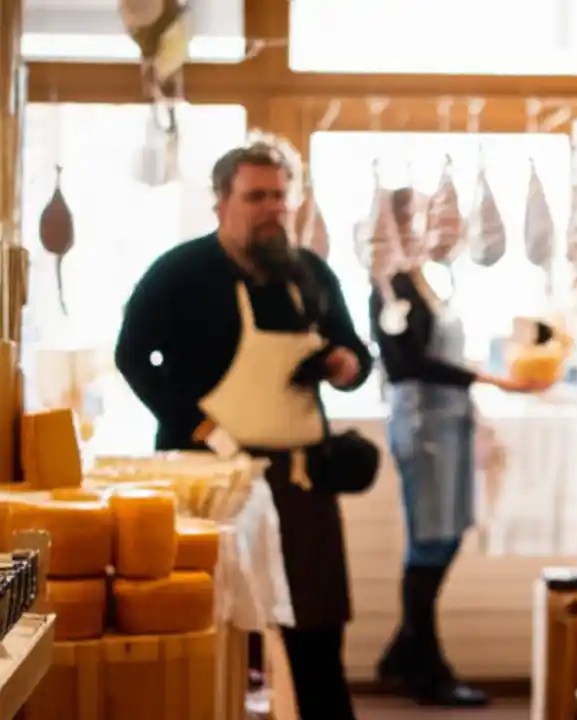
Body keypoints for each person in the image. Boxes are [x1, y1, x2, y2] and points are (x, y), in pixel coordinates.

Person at [114, 139, 371, 720]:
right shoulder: (180, 272)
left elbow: (357, 352)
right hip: (209, 483)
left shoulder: (311, 274)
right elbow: (132, 356)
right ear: (222, 203)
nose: (271, 209)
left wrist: (346, 365)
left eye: (280, 196)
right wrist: (192, 422)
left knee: (315, 628)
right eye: (256, 196)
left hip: (302, 483)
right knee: (220, 631)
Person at [367, 222, 548, 707]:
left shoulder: (428, 280)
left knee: (447, 535)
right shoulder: (389, 286)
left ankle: (406, 650)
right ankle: (426, 668)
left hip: (450, 425)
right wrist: (489, 379)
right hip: (423, 428)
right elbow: (406, 363)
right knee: (429, 542)